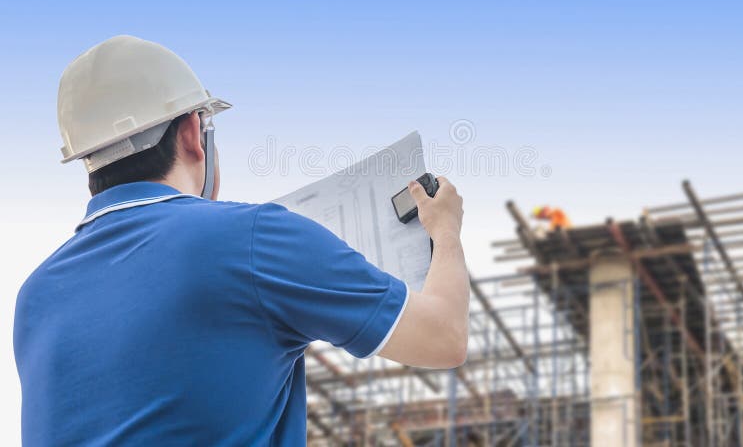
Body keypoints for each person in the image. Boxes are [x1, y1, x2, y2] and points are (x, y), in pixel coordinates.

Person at [13, 35, 469, 445]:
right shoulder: (251, 238)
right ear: (193, 131)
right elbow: (444, 336)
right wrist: (445, 231)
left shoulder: (34, 297)